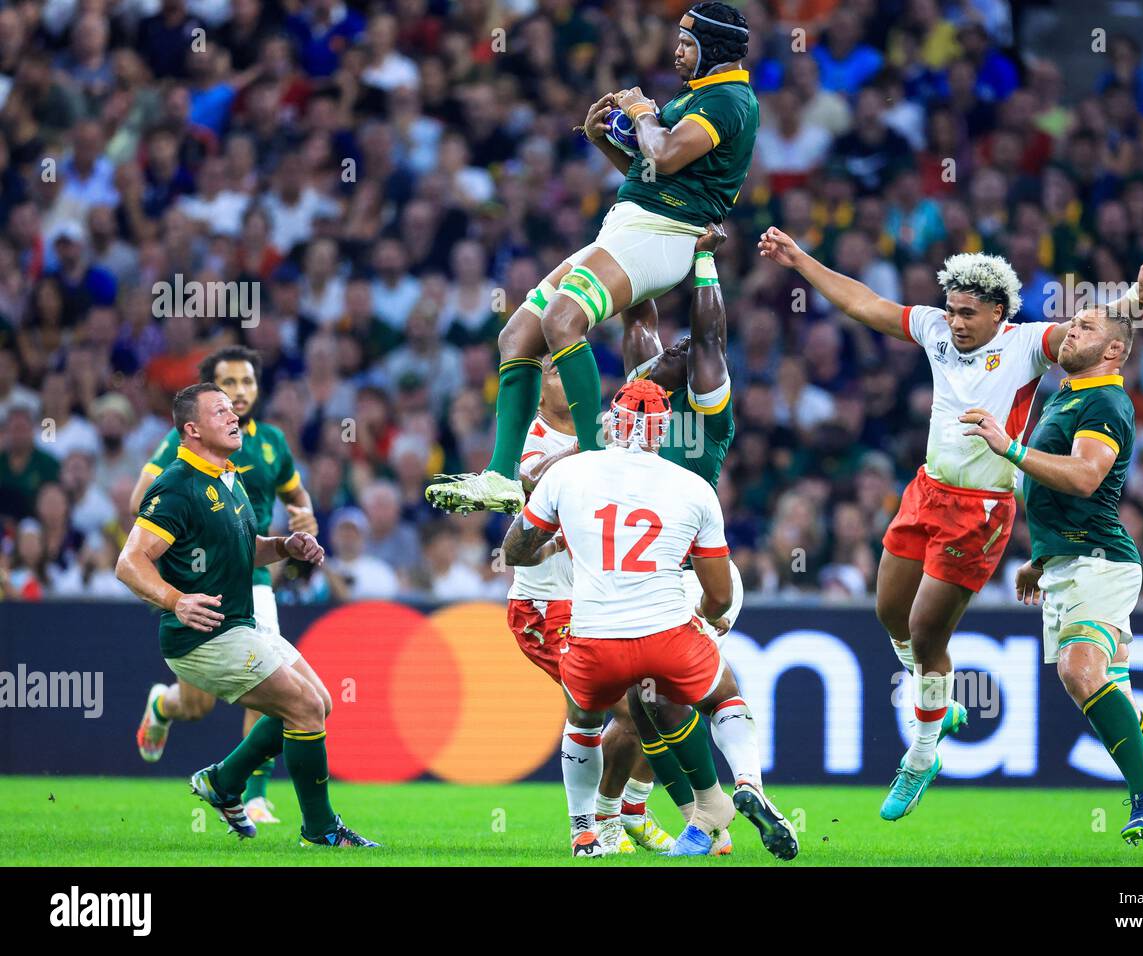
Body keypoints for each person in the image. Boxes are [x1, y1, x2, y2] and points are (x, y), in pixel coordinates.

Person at [756, 225, 1143, 819]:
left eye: (968, 313)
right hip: (926, 489)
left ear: (998, 312)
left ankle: (922, 755)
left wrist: (1137, 298)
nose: (955, 322)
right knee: (888, 613)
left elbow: (1092, 335)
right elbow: (865, 303)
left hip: (979, 510)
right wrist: (801, 260)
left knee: (928, 633)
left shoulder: (1030, 343)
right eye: (951, 310)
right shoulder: (933, 330)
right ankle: (941, 700)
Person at [426, 1, 758, 516]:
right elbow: (650, 171)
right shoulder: (703, 96)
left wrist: (644, 112)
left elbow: (664, 153)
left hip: (665, 233)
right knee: (517, 335)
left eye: (688, 43)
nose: (677, 50)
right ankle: (500, 477)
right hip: (632, 224)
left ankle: (595, 458)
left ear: (714, 50)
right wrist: (605, 139)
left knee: (564, 320)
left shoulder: (730, 100)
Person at [965, 304, 1143, 860]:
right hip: (1068, 562)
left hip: (1102, 563)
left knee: (1079, 667)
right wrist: (1041, 557)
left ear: (1115, 352)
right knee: (1113, 698)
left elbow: (1086, 477)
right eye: (1071, 324)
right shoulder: (1069, 396)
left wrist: (1011, 448)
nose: (1073, 331)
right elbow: (1055, 495)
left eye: (1088, 327)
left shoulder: (1105, 400)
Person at [502, 379, 797, 860]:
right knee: (720, 696)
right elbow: (719, 594)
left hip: (594, 638)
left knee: (583, 721)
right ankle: (744, 783)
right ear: (664, 431)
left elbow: (517, 550)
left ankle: (586, 833)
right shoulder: (693, 487)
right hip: (665, 633)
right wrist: (705, 621)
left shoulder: (569, 472)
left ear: (610, 424)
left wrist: (557, 540)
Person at [116, 383, 376, 847]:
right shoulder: (177, 486)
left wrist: (283, 547)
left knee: (320, 704)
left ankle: (224, 781)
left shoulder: (230, 477)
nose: (234, 414)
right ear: (192, 429)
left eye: (232, 408)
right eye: (220, 411)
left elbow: (243, 548)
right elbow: (129, 561)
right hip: (202, 636)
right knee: (304, 709)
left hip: (239, 623)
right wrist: (175, 599)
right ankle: (320, 831)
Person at [130, 346, 317, 825]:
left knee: (300, 698)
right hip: (203, 589)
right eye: (226, 388)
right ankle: (169, 710)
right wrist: (178, 584)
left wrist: (295, 532)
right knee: (198, 704)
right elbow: (137, 526)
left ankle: (250, 790)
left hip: (252, 583)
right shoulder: (183, 466)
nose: (238, 397)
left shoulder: (265, 446)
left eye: (246, 384)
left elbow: (294, 500)